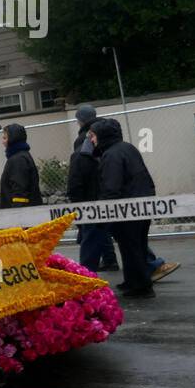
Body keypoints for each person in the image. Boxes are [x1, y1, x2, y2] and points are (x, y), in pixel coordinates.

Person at [90, 117, 156, 299]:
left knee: (130, 247)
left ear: (102, 135)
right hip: (141, 206)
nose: (91, 140)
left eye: (93, 135)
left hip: (125, 210)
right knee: (138, 246)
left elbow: (111, 187)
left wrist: (103, 213)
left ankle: (141, 286)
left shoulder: (111, 155)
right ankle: (135, 281)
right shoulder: (128, 148)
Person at [66, 105, 118, 272]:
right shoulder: (108, 133)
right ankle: (110, 260)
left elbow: (79, 173)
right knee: (112, 230)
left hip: (92, 195)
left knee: (92, 233)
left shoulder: (83, 142)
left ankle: (86, 274)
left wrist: (77, 200)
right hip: (103, 192)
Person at [0, 123, 42, 208]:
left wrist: (16, 215)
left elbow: (20, 192)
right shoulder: (22, 156)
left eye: (5, 138)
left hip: (20, 214)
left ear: (13, 139)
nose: (2, 142)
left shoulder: (18, 160)